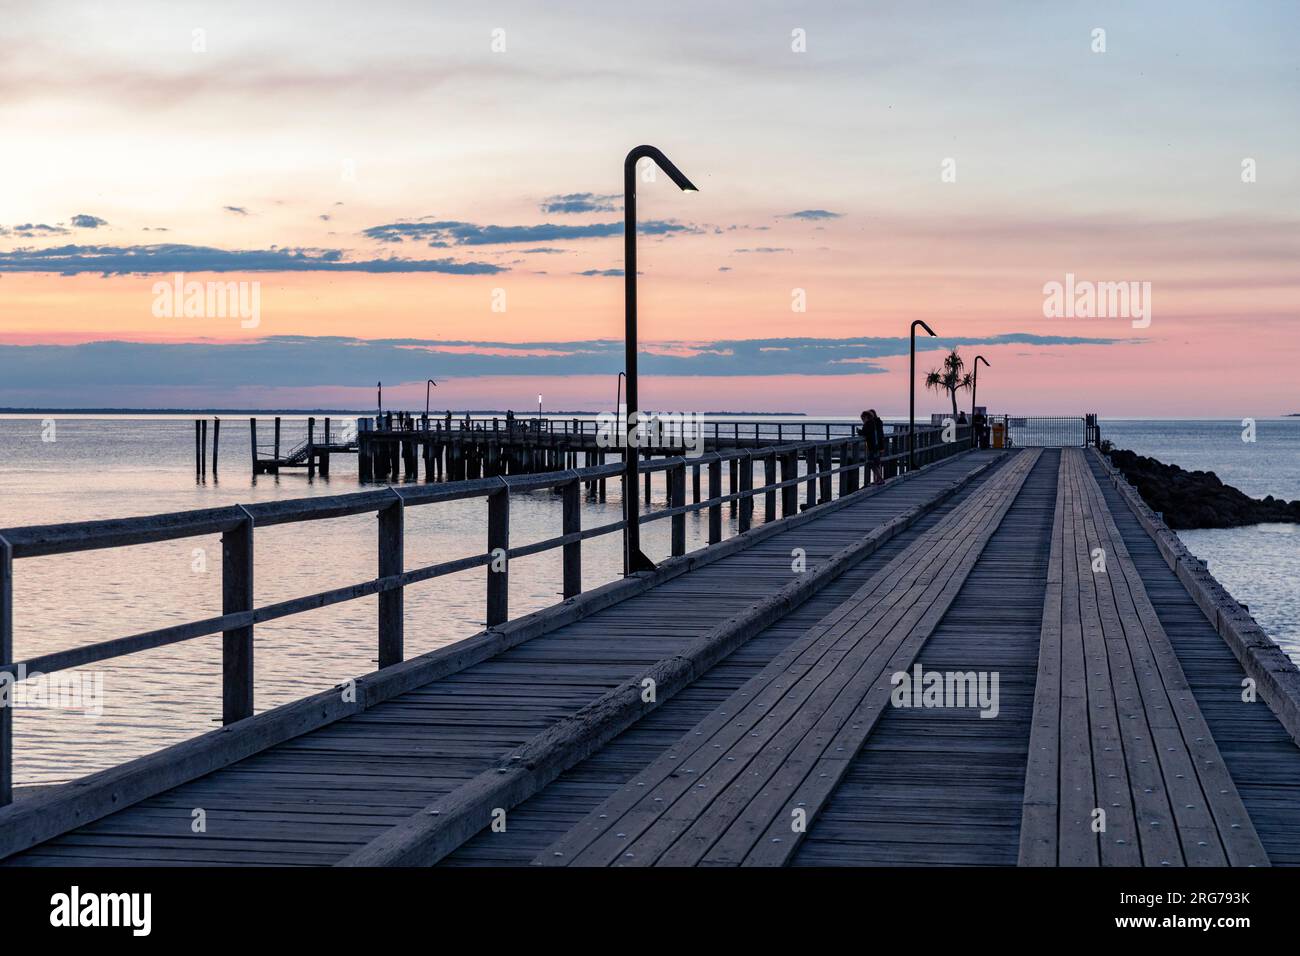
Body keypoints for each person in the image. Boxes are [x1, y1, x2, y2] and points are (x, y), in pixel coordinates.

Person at [860, 409, 886, 484]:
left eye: (863, 418)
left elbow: (865, 432)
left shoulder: (868, 424)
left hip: (873, 447)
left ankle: (880, 479)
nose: (862, 420)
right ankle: (878, 479)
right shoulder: (874, 423)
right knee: (876, 462)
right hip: (877, 446)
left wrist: (859, 431)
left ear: (866, 417)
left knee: (871, 463)